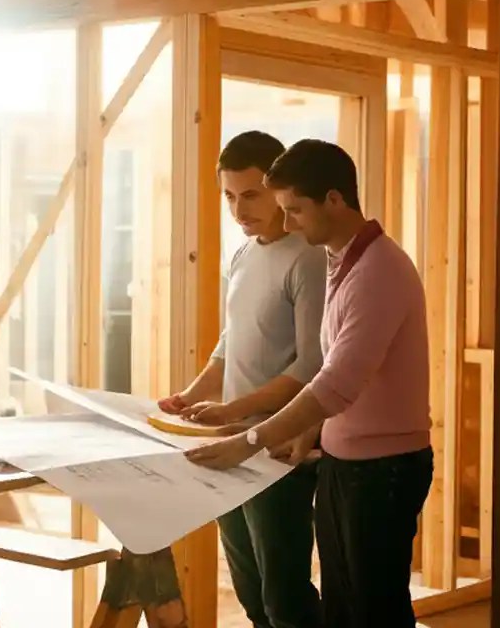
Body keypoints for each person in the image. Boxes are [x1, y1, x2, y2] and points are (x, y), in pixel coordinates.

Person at [185, 139, 433, 628]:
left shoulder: (377, 269)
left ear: (335, 200)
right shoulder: (345, 261)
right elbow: (331, 371)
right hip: (347, 464)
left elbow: (336, 379)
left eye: (295, 209)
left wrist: (249, 437)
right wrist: (307, 431)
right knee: (344, 610)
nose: (290, 223)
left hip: (383, 472)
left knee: (371, 612)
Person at [159, 130, 326, 628]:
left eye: (250, 194)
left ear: (278, 187)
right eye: (228, 196)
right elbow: (230, 344)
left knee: (284, 596)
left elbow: (311, 366)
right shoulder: (244, 254)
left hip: (277, 447)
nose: (237, 209)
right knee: (252, 593)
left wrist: (233, 411)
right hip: (228, 447)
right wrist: (190, 397)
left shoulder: (309, 258)